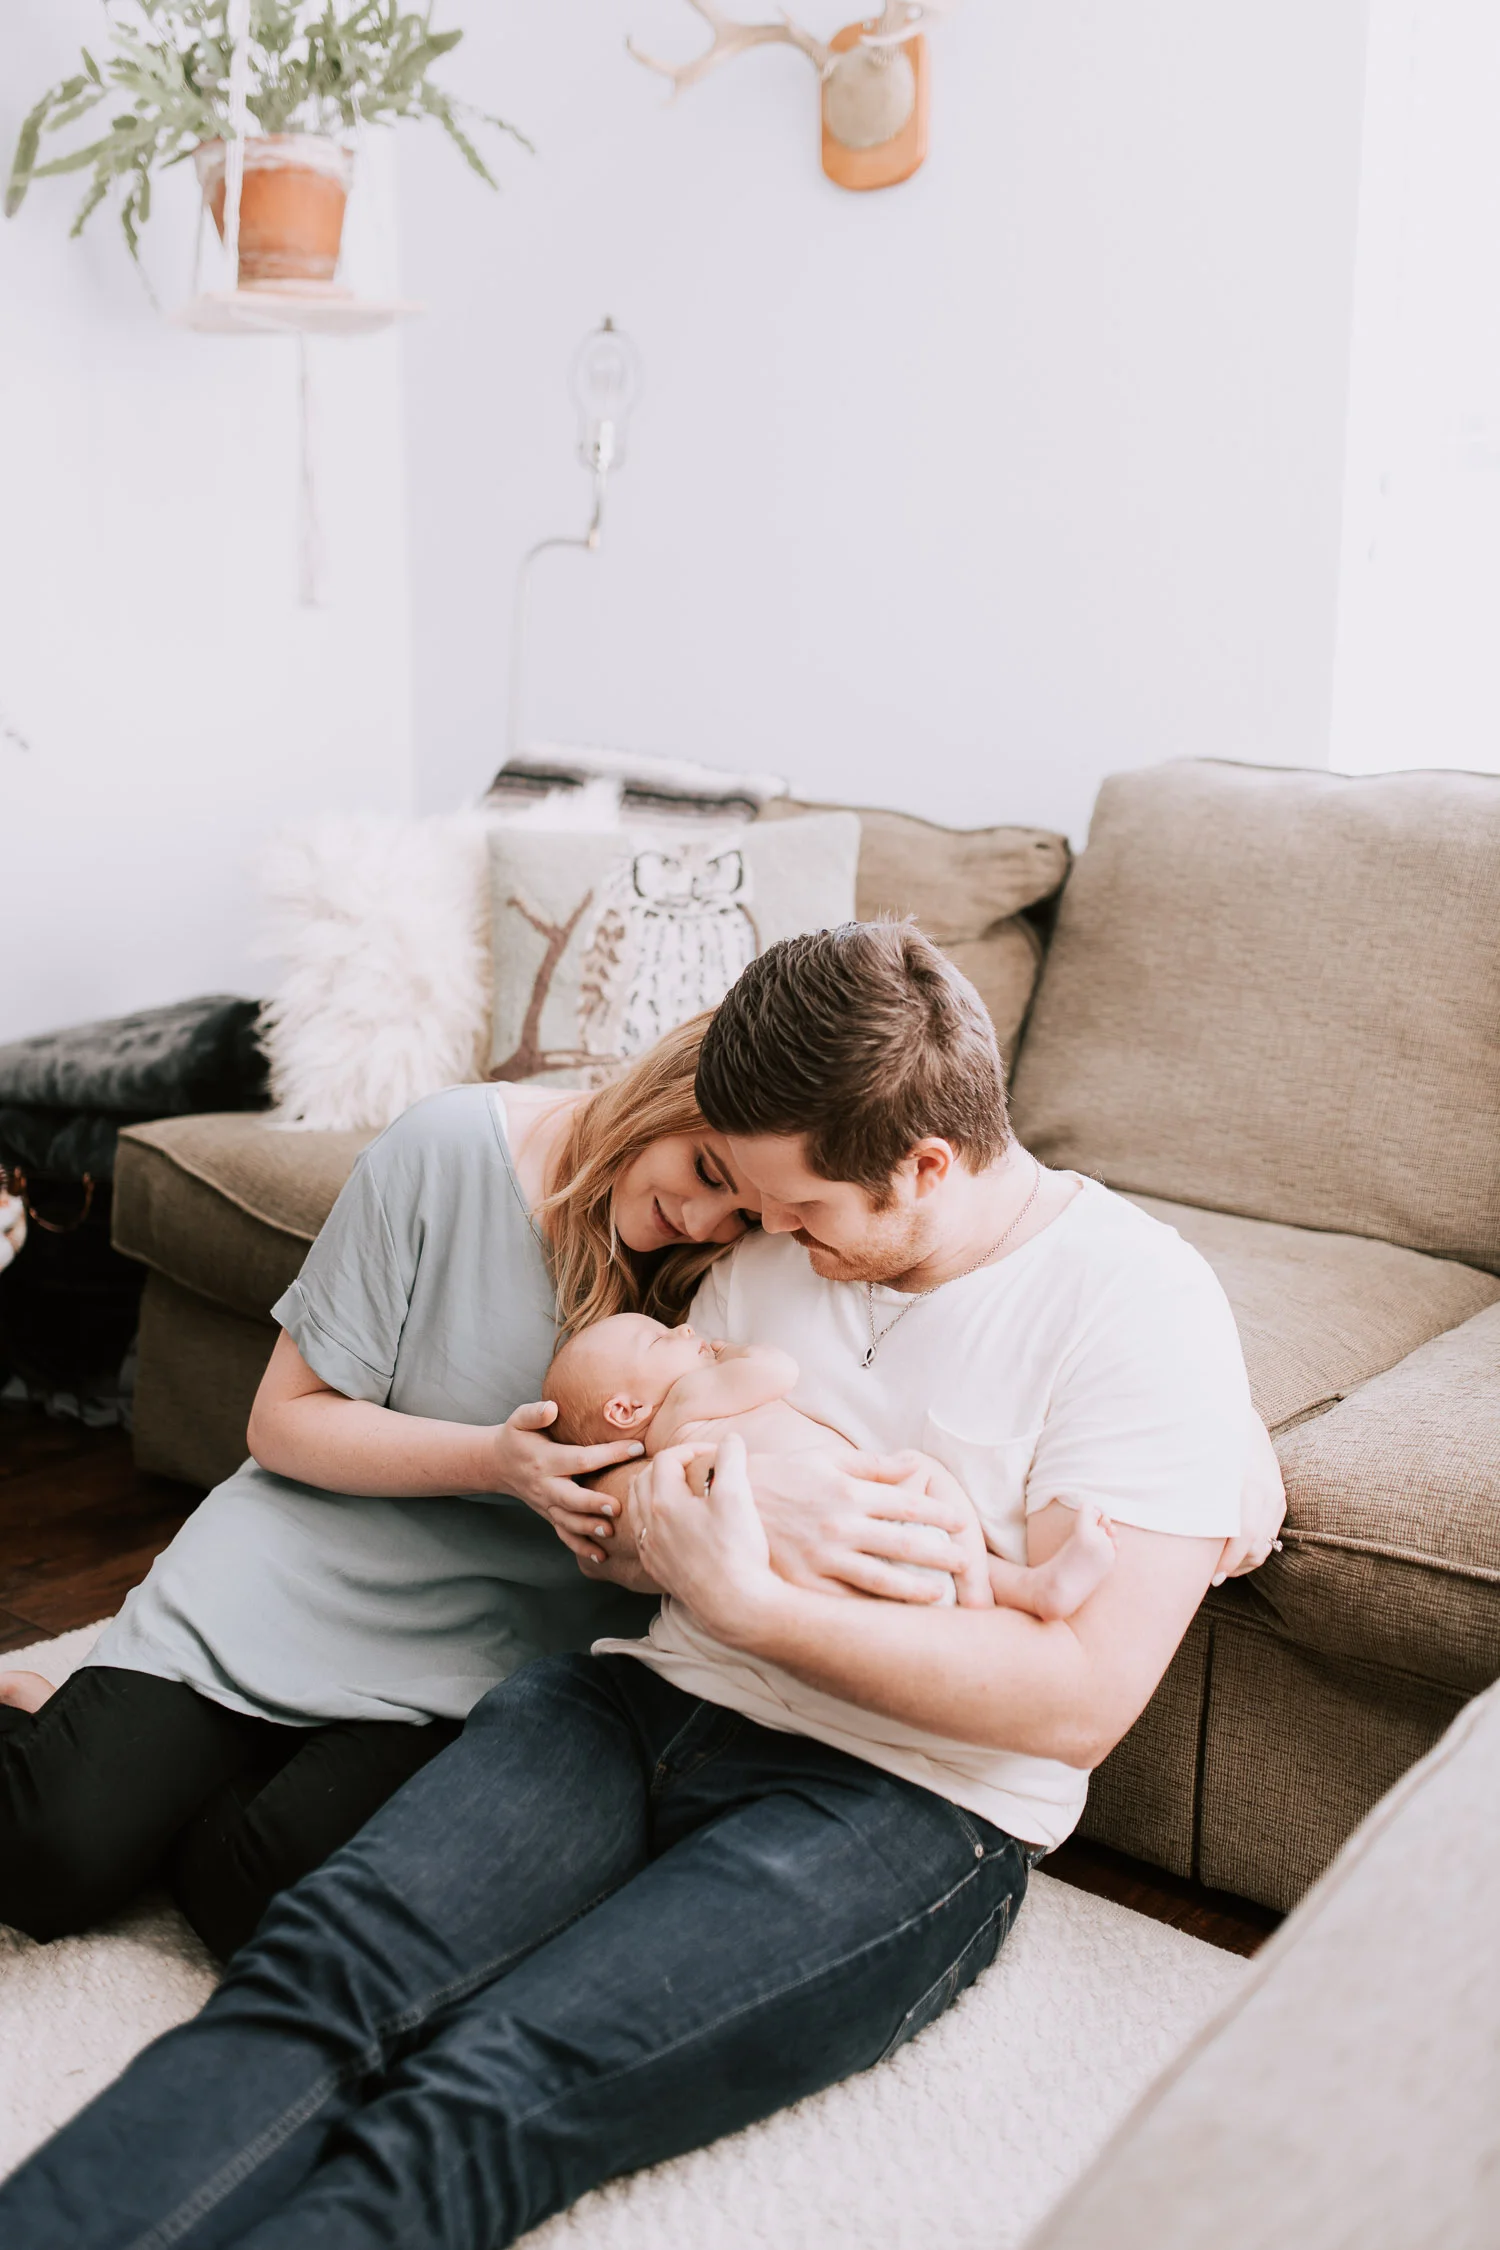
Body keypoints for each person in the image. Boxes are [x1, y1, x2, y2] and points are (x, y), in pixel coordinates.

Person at [0, 923, 1285, 2250]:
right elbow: (617, 1491)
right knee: (316, 1979)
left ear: (924, 1165)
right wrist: (670, 1514)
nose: (759, 1235)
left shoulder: (1134, 1308)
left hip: (899, 1794)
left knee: (493, 2087)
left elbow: (1080, 1698)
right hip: (627, 1702)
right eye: (748, 1197)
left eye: (798, 1210)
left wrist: (760, 1607)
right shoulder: (769, 1249)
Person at [0, 1017, 761, 1958]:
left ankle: (118, 1762)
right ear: (664, 1096)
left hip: (484, 1632)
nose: (704, 1224)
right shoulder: (448, 1149)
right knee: (47, 1856)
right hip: (301, 1561)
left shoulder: (722, 1270)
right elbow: (282, 1422)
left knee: (278, 1908)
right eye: (706, 1174)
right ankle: (52, 1724)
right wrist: (494, 1461)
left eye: (742, 1213)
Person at [543, 1309, 1119, 1618]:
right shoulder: (689, 1401)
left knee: (915, 1533)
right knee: (928, 1494)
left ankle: (1002, 1600)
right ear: (626, 1409)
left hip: (823, 1544)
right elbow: (776, 1371)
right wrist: (730, 1350)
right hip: (845, 1507)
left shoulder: (672, 1451)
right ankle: (1007, 1593)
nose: (687, 1329)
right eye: (662, 1338)